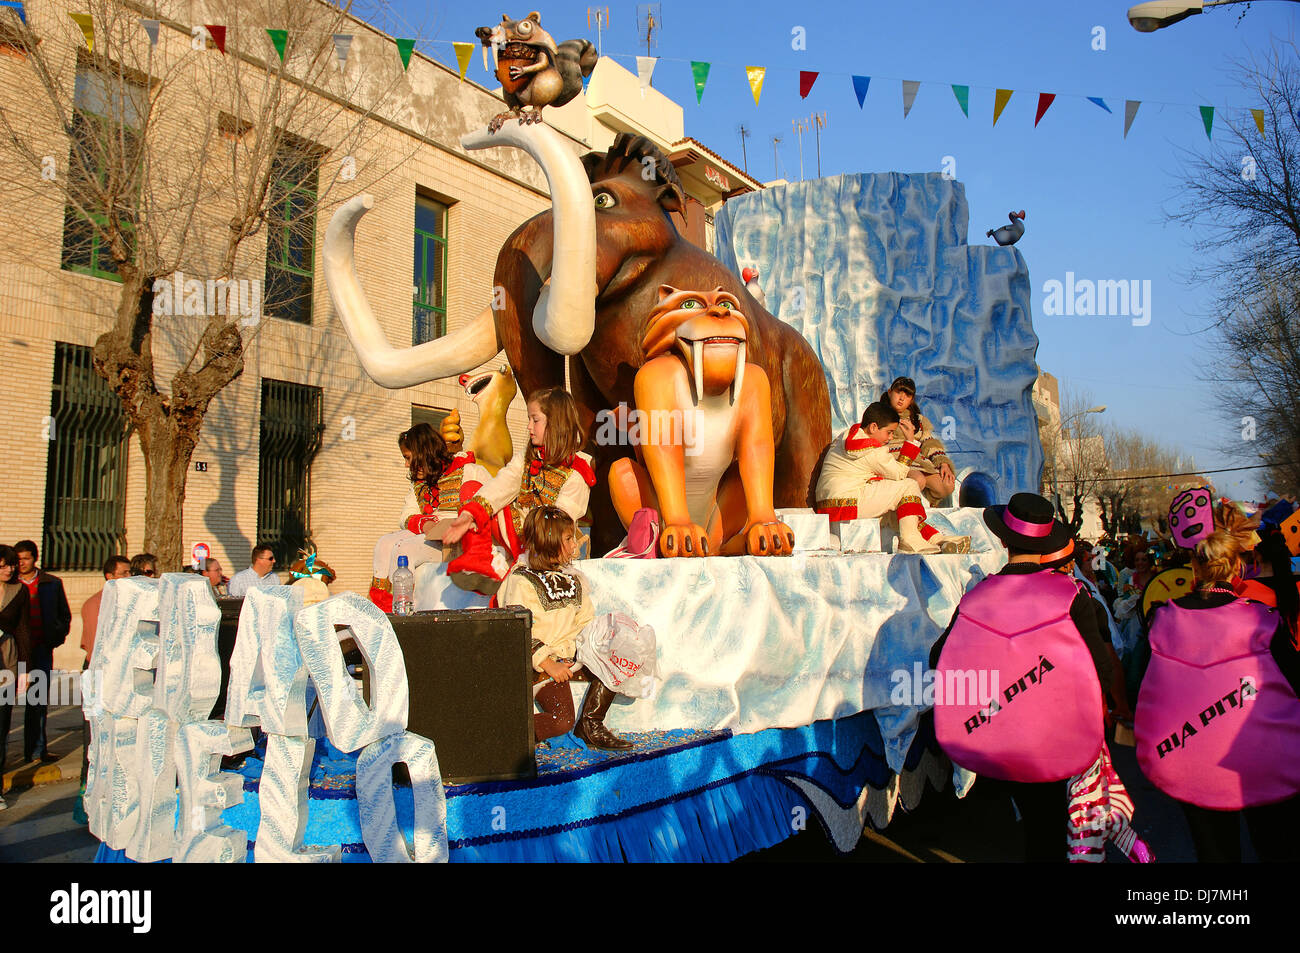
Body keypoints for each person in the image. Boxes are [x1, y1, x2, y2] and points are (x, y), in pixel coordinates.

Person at [930, 494, 1113, 862]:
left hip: (994, 735)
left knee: (1034, 821)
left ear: (1002, 541)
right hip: (1055, 737)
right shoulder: (1071, 594)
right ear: (1047, 544)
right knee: (1049, 826)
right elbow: (1101, 668)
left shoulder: (976, 597)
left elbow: (939, 661)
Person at [1135, 502, 1300, 862]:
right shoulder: (1265, 621)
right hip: (1266, 758)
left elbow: (1143, 688)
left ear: (1192, 566)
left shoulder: (1160, 620)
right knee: (1278, 849)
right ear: (1237, 563)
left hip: (1189, 758)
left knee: (1215, 856)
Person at [1039, 536, 1151, 862]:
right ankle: (1108, 844)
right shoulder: (1078, 595)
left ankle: (1104, 841)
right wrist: (1118, 704)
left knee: (1055, 801)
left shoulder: (1021, 595)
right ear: (1069, 564)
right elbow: (1105, 656)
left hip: (1039, 714)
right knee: (1085, 790)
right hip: (1078, 710)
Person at [498, 506, 631, 750]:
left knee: (618, 655)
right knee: (561, 721)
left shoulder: (572, 578)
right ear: (548, 541)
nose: (574, 545)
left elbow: (584, 619)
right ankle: (505, 735)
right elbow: (517, 630)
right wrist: (548, 663)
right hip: (540, 663)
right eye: (568, 539)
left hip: (571, 655)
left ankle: (591, 724)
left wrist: (599, 643)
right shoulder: (521, 581)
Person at [443, 388, 596, 593]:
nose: (528, 427)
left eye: (535, 420)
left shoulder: (576, 473)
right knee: (474, 488)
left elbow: (561, 524)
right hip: (518, 532)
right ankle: (481, 560)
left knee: (503, 512)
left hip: (546, 544)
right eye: (528, 419)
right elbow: (505, 482)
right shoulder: (528, 457)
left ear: (555, 424)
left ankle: (503, 567)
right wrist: (470, 514)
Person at [814, 401, 968, 554]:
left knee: (900, 509)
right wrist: (910, 442)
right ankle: (910, 540)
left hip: (831, 503)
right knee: (908, 485)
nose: (890, 437)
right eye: (889, 432)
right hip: (849, 502)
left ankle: (936, 539)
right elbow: (899, 474)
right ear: (873, 427)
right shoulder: (871, 450)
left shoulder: (846, 436)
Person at [369, 423, 477, 612]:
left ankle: (403, 610)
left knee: (403, 550)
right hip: (427, 534)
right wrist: (425, 524)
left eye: (408, 458)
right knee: (384, 544)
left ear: (423, 453)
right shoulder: (418, 483)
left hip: (454, 542)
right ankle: (381, 607)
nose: (406, 464)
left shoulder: (464, 470)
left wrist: (445, 526)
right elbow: (406, 514)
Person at [73, 554, 129, 825]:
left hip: (112, 677)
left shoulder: (122, 603)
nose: (128, 578)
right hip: (99, 677)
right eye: (124, 573)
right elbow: (95, 648)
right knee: (94, 739)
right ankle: (87, 803)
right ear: (110, 576)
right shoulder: (98, 604)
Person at [881, 377, 957, 505]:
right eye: (898, 392)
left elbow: (929, 442)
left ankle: (925, 502)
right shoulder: (880, 415)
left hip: (919, 462)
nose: (901, 398)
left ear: (911, 400)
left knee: (947, 485)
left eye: (907, 395)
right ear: (890, 392)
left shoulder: (918, 420)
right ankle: (902, 511)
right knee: (918, 480)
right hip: (896, 461)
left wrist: (943, 463)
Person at [0, 545, 30, 808]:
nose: (9, 570)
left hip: (5, 665)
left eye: (11, 565)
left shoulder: (19, 591)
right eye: (3, 566)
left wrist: (24, 670)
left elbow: (23, 631)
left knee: (0, 728)